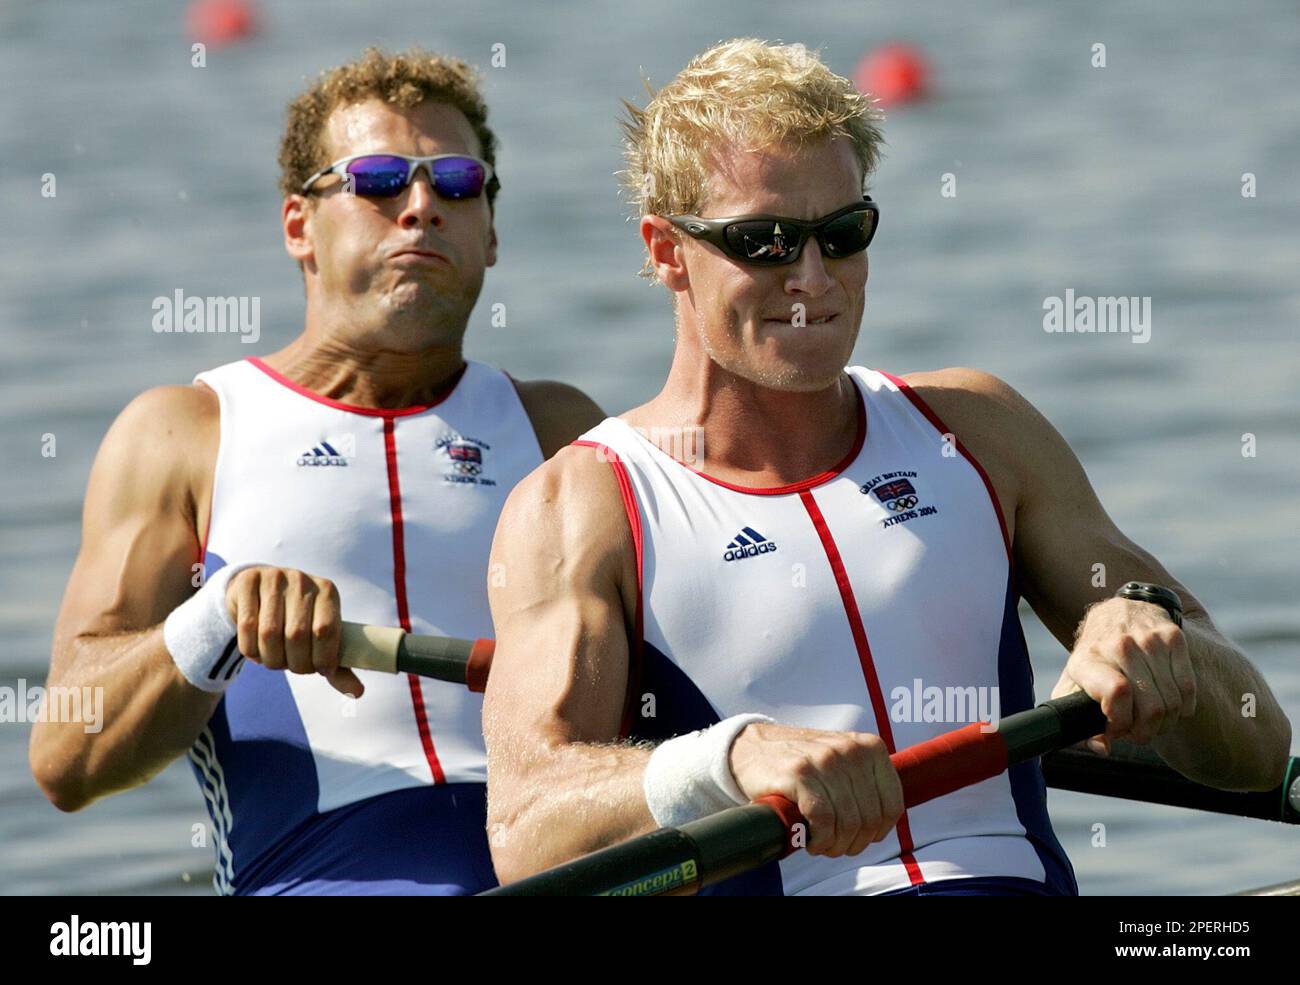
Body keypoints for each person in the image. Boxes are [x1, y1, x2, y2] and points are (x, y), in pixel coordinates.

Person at [482, 39, 1292, 895]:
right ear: (665, 249)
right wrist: (729, 756)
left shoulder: (979, 429)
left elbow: (1258, 744)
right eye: (763, 241)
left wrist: (1150, 633)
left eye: (841, 234)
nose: (811, 278)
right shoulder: (586, 504)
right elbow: (527, 829)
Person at [30, 47, 603, 895]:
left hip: (569, 865)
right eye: (375, 180)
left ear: (491, 229)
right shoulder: (182, 435)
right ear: (299, 224)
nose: (419, 208)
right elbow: (66, 758)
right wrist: (214, 622)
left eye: (455, 182)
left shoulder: (564, 432)